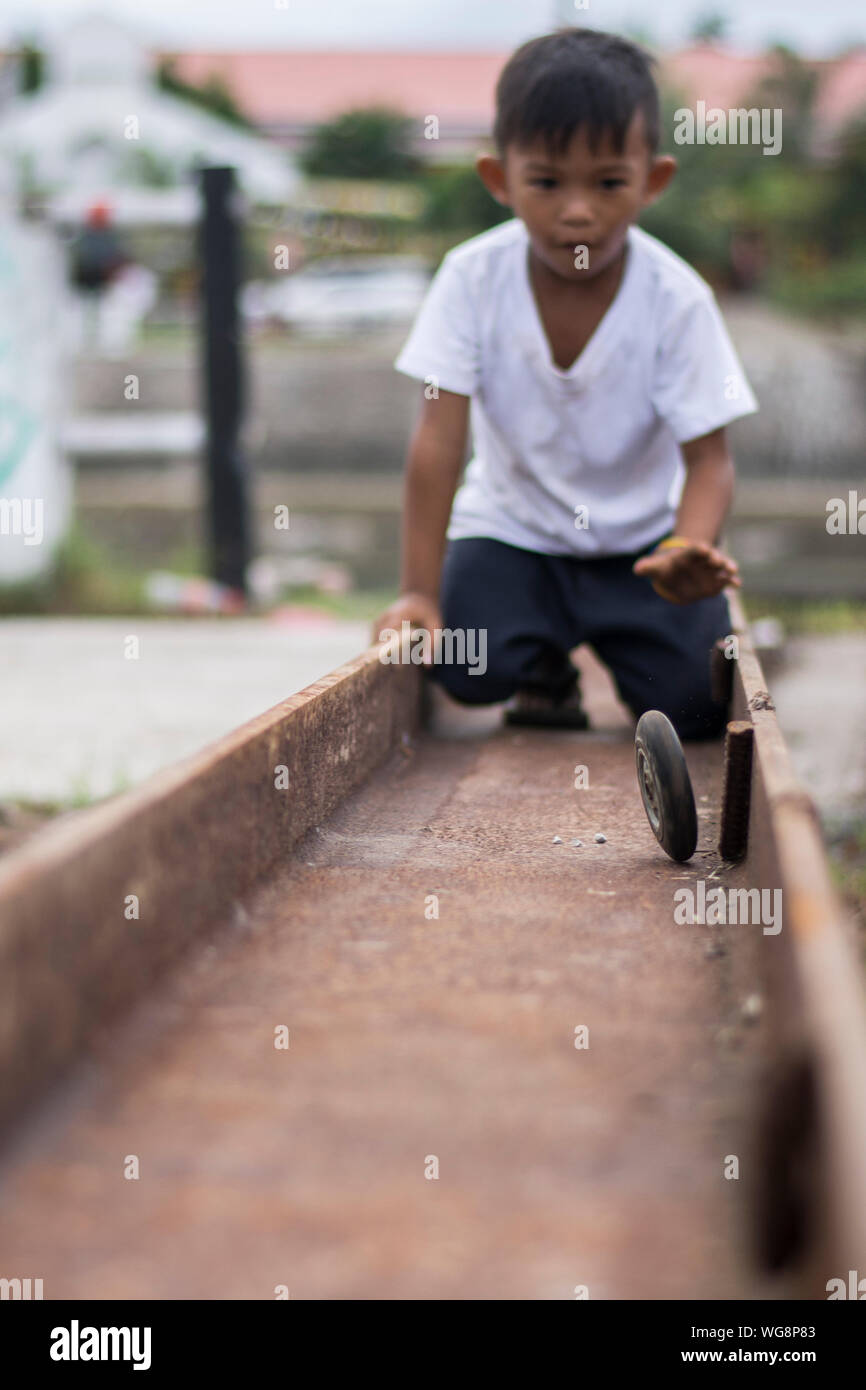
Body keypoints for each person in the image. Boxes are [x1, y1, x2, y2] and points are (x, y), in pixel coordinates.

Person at [375, 27, 758, 738]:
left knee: (697, 705)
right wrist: (419, 594)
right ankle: (541, 661)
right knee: (465, 666)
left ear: (652, 182)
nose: (577, 210)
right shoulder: (470, 279)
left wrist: (683, 549)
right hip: (515, 537)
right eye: (547, 182)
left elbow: (710, 462)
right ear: (500, 181)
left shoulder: (676, 298)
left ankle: (611, 642)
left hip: (640, 553)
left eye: (608, 182)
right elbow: (437, 443)